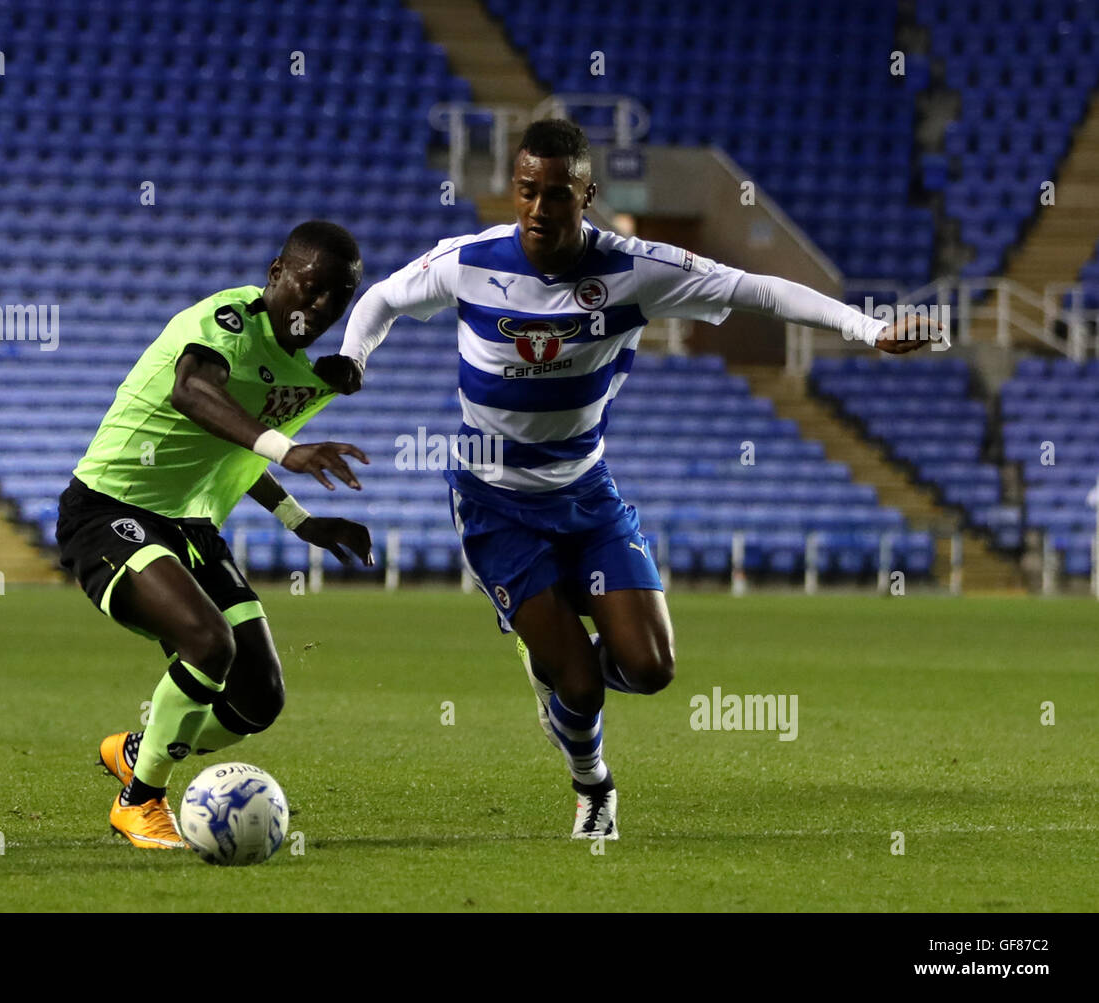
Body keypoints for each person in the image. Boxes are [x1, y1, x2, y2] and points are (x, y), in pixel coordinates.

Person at [315, 120, 929, 839]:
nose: (540, 209)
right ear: (513, 190)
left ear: (588, 194)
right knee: (576, 683)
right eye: (527, 191)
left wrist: (868, 329)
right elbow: (383, 298)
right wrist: (354, 358)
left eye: (557, 194)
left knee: (651, 668)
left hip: (586, 496)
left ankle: (555, 651)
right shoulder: (469, 260)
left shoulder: (636, 269)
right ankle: (594, 785)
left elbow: (758, 289)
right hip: (494, 503)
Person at [58, 220, 374, 849]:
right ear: (277, 273)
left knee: (259, 699)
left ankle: (139, 750)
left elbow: (230, 451)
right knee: (209, 642)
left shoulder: (291, 371)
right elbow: (192, 393)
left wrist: (301, 520)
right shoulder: (228, 321)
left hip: (191, 527)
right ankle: (139, 800)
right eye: (308, 288)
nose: (317, 307)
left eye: (334, 298)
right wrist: (288, 450)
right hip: (109, 511)